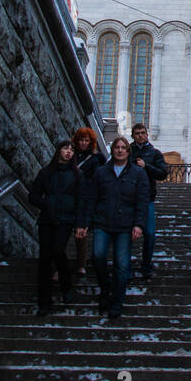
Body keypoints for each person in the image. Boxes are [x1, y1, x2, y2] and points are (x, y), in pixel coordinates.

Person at [79, 135, 149, 320]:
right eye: (116, 147)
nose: (119, 150)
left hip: (125, 225)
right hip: (103, 222)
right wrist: (85, 223)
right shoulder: (101, 172)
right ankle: (105, 287)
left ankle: (116, 302)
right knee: (98, 256)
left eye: (122, 148)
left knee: (122, 264)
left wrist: (139, 224)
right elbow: (91, 199)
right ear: (113, 151)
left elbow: (142, 201)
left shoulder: (138, 173)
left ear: (128, 151)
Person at [28, 139, 91, 314]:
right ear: (59, 152)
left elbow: (82, 200)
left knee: (58, 249)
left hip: (66, 219)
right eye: (65, 149)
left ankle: (66, 285)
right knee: (45, 258)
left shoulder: (77, 175)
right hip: (47, 219)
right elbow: (33, 195)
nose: (69, 152)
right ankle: (44, 302)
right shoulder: (46, 172)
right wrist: (46, 204)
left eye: (72, 149)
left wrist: (80, 224)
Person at [129, 122, 169, 279]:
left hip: (147, 199)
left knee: (150, 233)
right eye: (137, 133)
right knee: (126, 234)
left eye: (142, 133)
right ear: (133, 136)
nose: (140, 136)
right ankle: (125, 266)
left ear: (147, 134)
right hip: (128, 198)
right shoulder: (126, 151)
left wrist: (146, 166)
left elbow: (162, 173)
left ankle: (146, 264)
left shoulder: (154, 153)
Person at [71, 127, 105, 278]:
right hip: (69, 197)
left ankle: (81, 264)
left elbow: (98, 178)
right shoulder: (71, 155)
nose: (84, 143)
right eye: (81, 140)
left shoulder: (96, 159)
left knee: (82, 230)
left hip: (86, 198)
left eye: (86, 140)